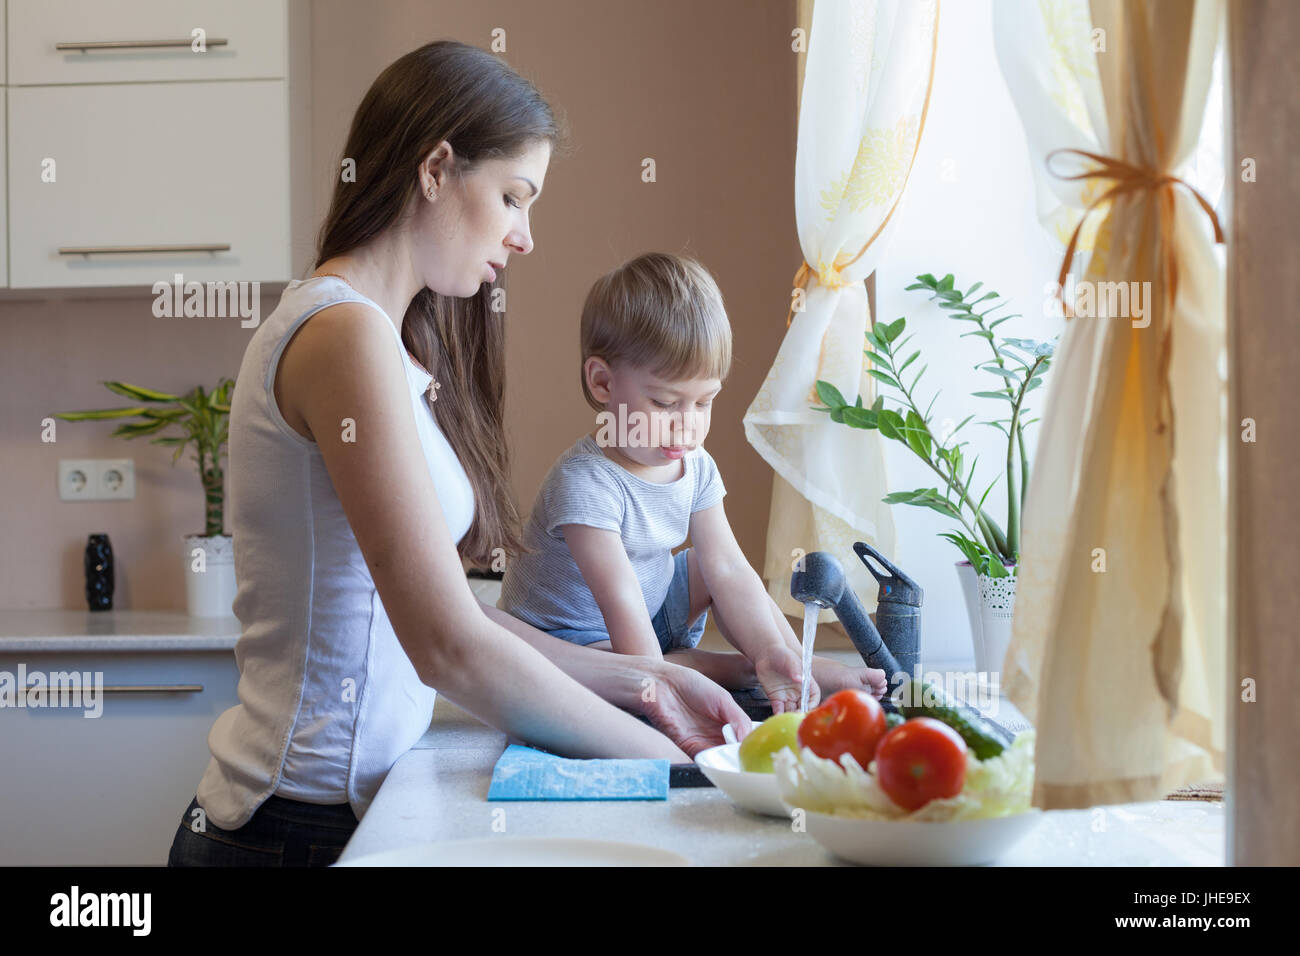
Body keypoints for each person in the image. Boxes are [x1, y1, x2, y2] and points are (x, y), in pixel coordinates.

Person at [167, 40, 750, 868]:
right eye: (514, 197)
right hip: (288, 830)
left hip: (327, 815)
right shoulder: (343, 338)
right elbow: (445, 647)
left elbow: (460, 612)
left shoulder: (381, 345)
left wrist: (647, 683)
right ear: (436, 168)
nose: (525, 236)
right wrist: (685, 767)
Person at [499, 253, 888, 714]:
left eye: (704, 403)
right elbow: (620, 599)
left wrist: (766, 646)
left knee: (710, 568)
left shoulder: (696, 465)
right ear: (603, 383)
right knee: (604, 676)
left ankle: (791, 663)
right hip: (580, 643)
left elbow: (728, 569)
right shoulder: (585, 484)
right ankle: (727, 669)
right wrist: (655, 681)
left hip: (652, 616)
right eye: (666, 403)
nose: (687, 427)